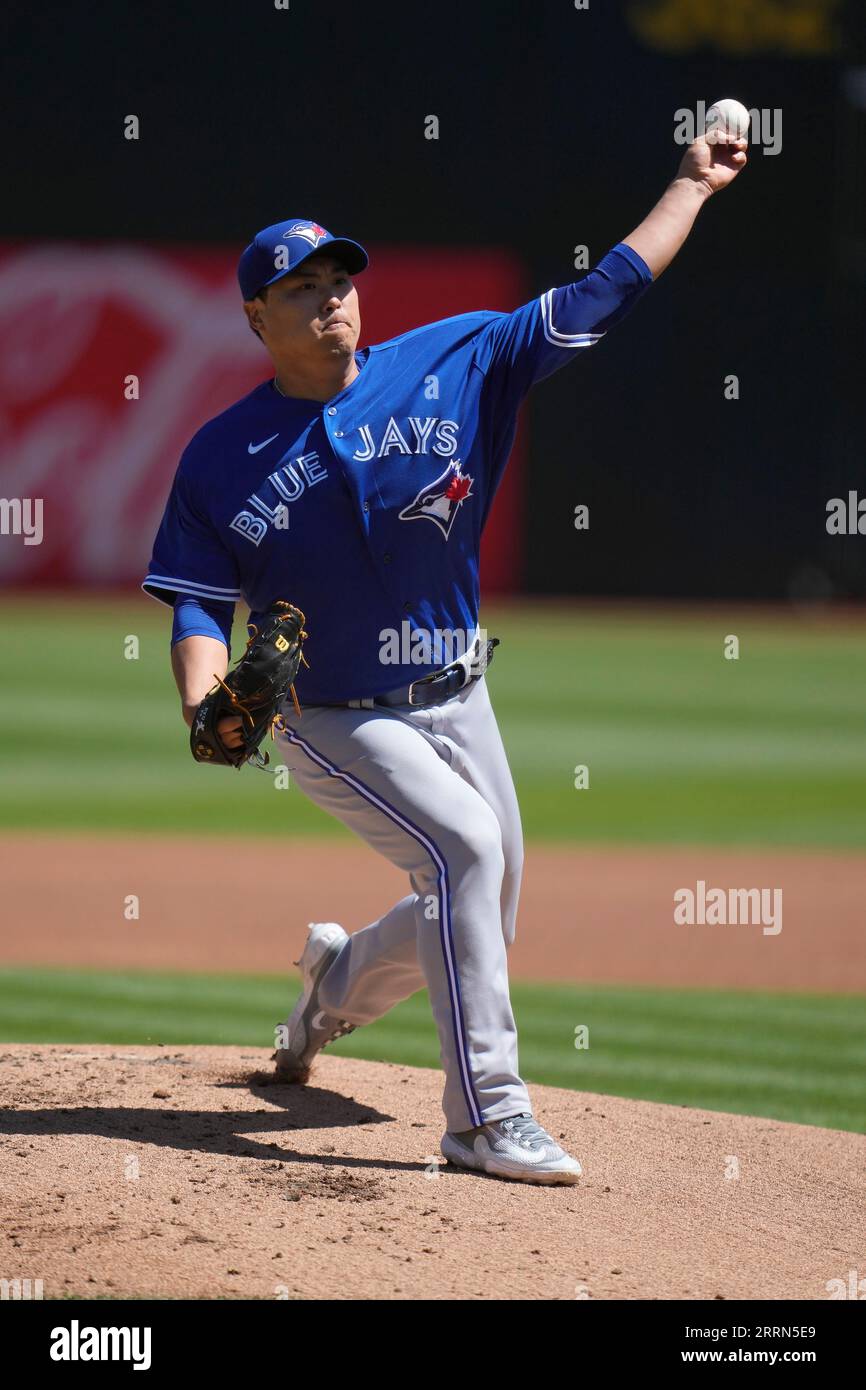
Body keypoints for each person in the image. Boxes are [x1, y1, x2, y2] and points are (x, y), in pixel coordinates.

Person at [144, 133, 747, 1185]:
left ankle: (331, 984)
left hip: (460, 693)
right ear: (255, 317)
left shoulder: (455, 358)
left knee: (478, 893)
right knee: (464, 849)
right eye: (300, 287)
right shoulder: (218, 456)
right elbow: (196, 603)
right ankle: (484, 1117)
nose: (329, 297)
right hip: (336, 714)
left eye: (338, 279)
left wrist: (687, 186)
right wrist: (205, 705)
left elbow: (606, 289)